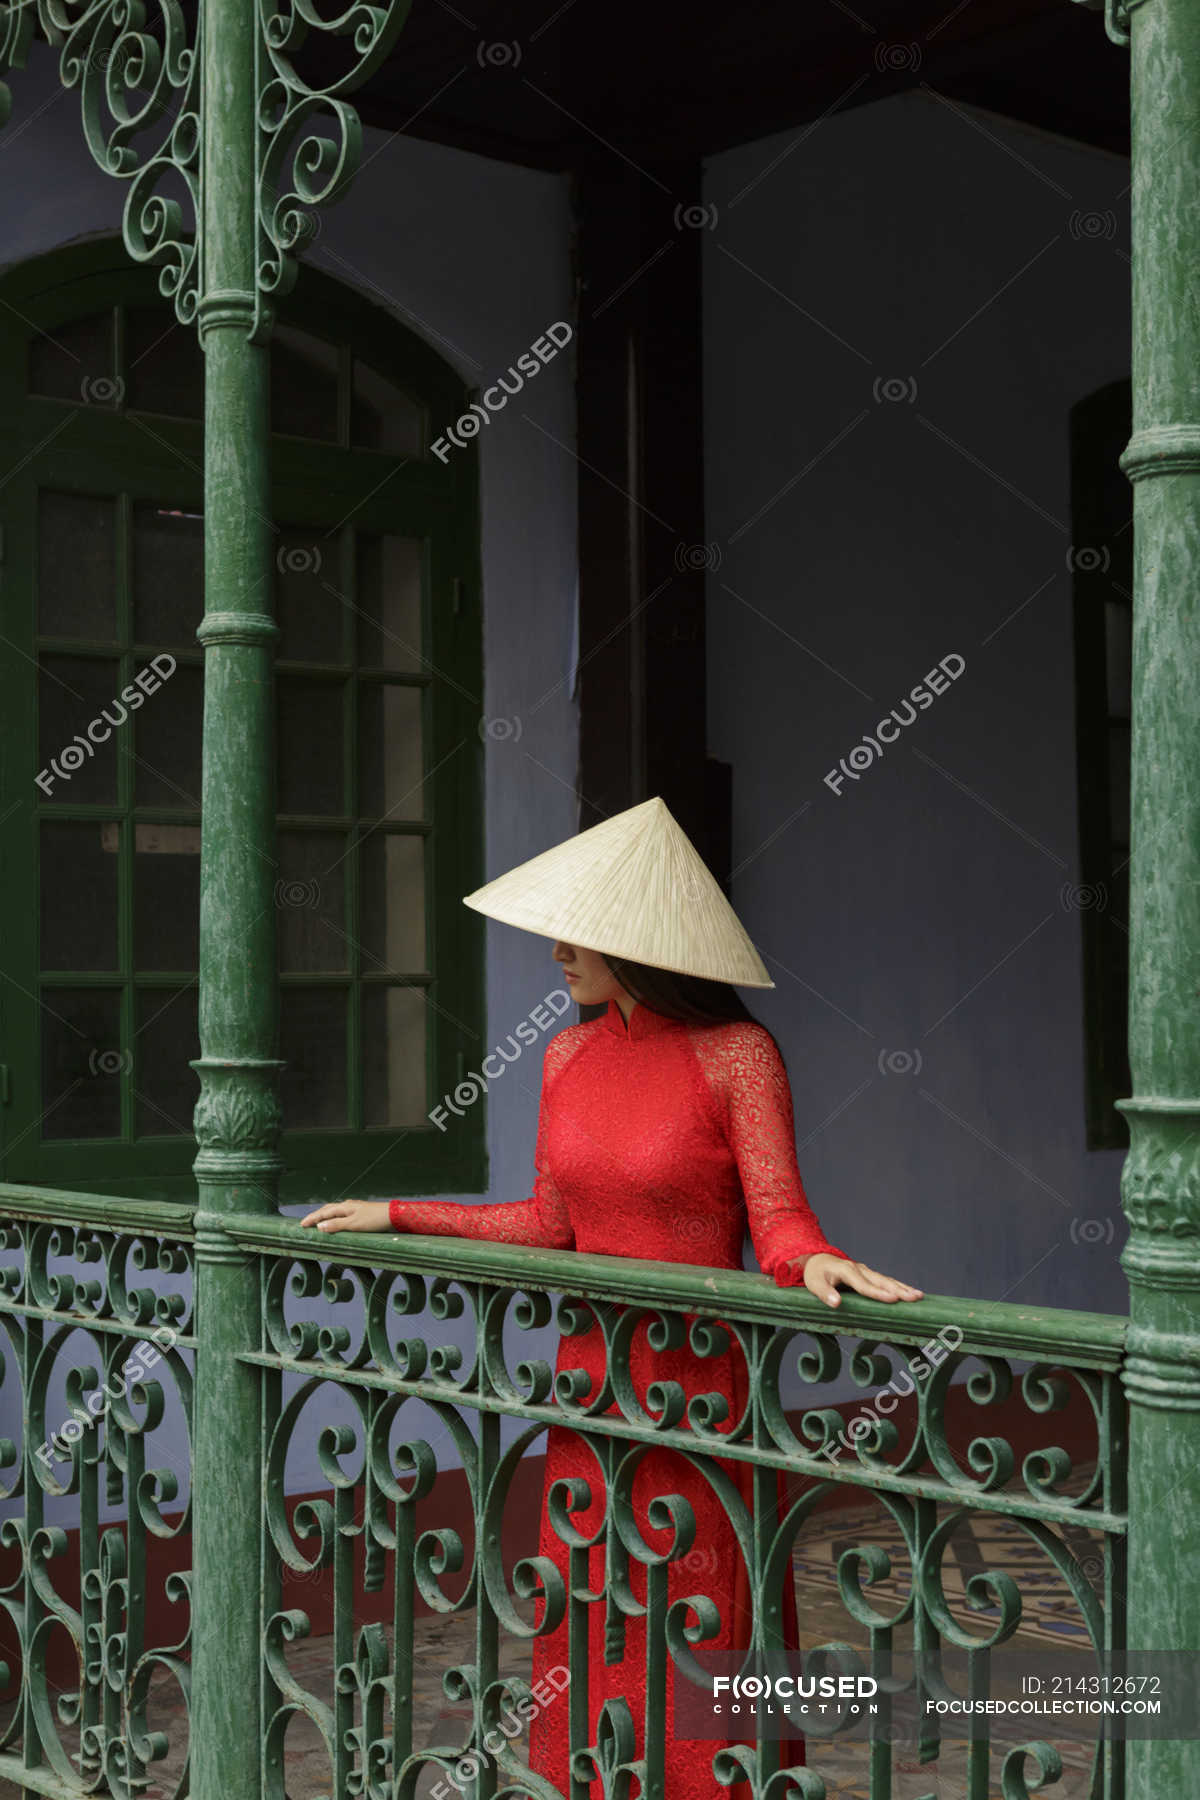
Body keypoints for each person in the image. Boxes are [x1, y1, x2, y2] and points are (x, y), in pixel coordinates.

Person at [302, 796, 922, 1796]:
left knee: (701, 1618)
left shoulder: (737, 1057)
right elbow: (551, 1223)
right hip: (592, 1387)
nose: (557, 952)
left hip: (699, 1393)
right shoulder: (567, 1057)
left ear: (640, 944)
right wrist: (403, 1212)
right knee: (590, 1601)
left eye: (578, 932)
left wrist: (811, 1260)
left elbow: (778, 1215)